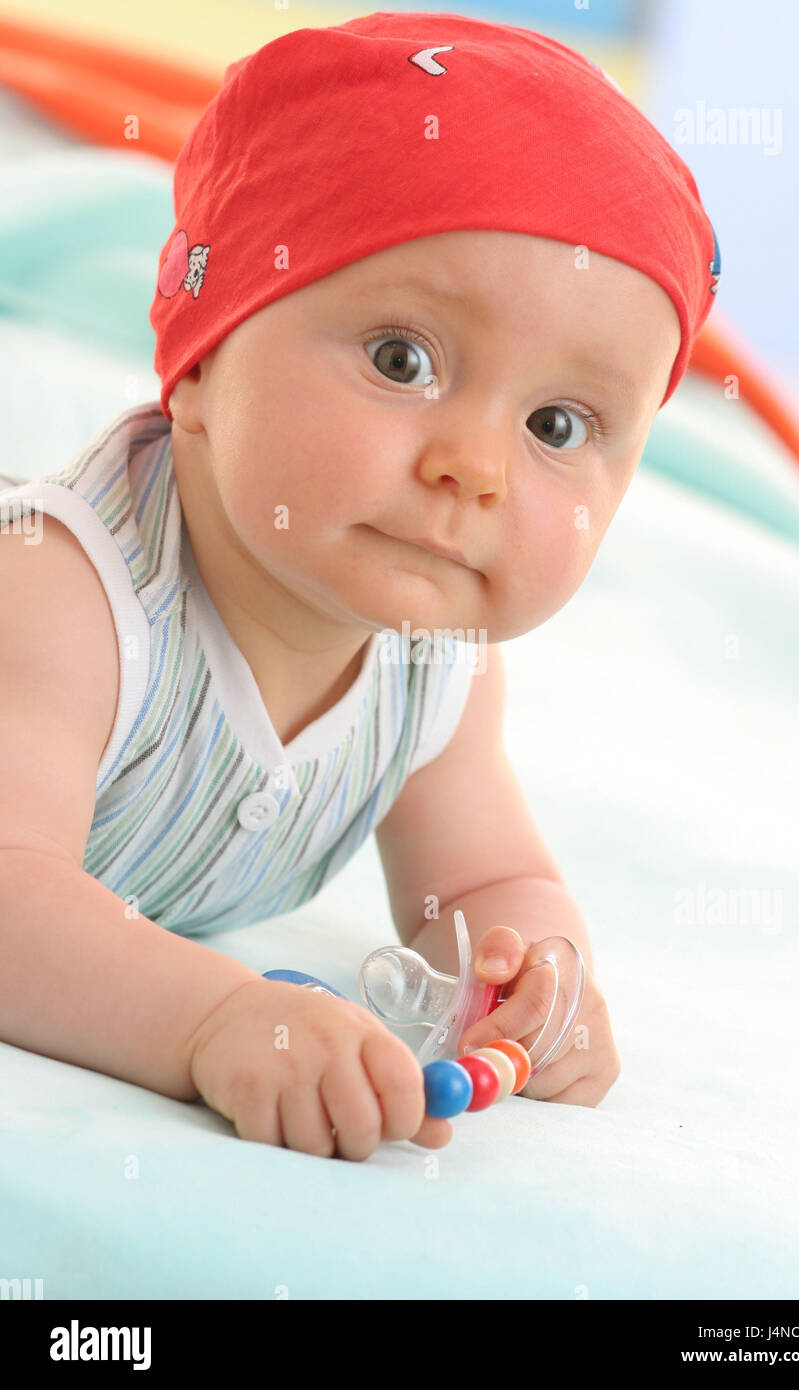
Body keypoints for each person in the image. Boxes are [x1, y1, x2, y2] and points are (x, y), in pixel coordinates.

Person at [0, 11, 720, 1161]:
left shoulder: (433, 667)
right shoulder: (64, 595)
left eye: (555, 424)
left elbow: (484, 878)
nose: (473, 469)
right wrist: (209, 1014)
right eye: (401, 359)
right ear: (201, 358)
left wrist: (533, 970)